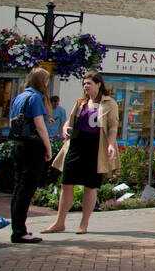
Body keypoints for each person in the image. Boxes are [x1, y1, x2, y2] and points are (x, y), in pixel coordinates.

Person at [43, 72, 120, 235]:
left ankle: (84, 223)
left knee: (90, 186)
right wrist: (66, 130)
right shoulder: (81, 103)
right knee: (66, 183)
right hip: (76, 145)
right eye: (84, 83)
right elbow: (68, 123)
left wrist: (111, 145)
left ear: (98, 84)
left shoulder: (109, 103)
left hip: (95, 147)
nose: (86, 86)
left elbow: (113, 126)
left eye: (89, 83)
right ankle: (59, 222)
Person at [6, 66, 52, 244]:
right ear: (42, 81)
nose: (47, 84)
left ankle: (18, 228)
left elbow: (12, 121)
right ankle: (19, 232)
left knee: (18, 188)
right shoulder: (36, 98)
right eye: (47, 80)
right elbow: (40, 127)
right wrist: (48, 148)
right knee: (26, 189)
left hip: (19, 145)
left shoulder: (20, 96)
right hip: (32, 147)